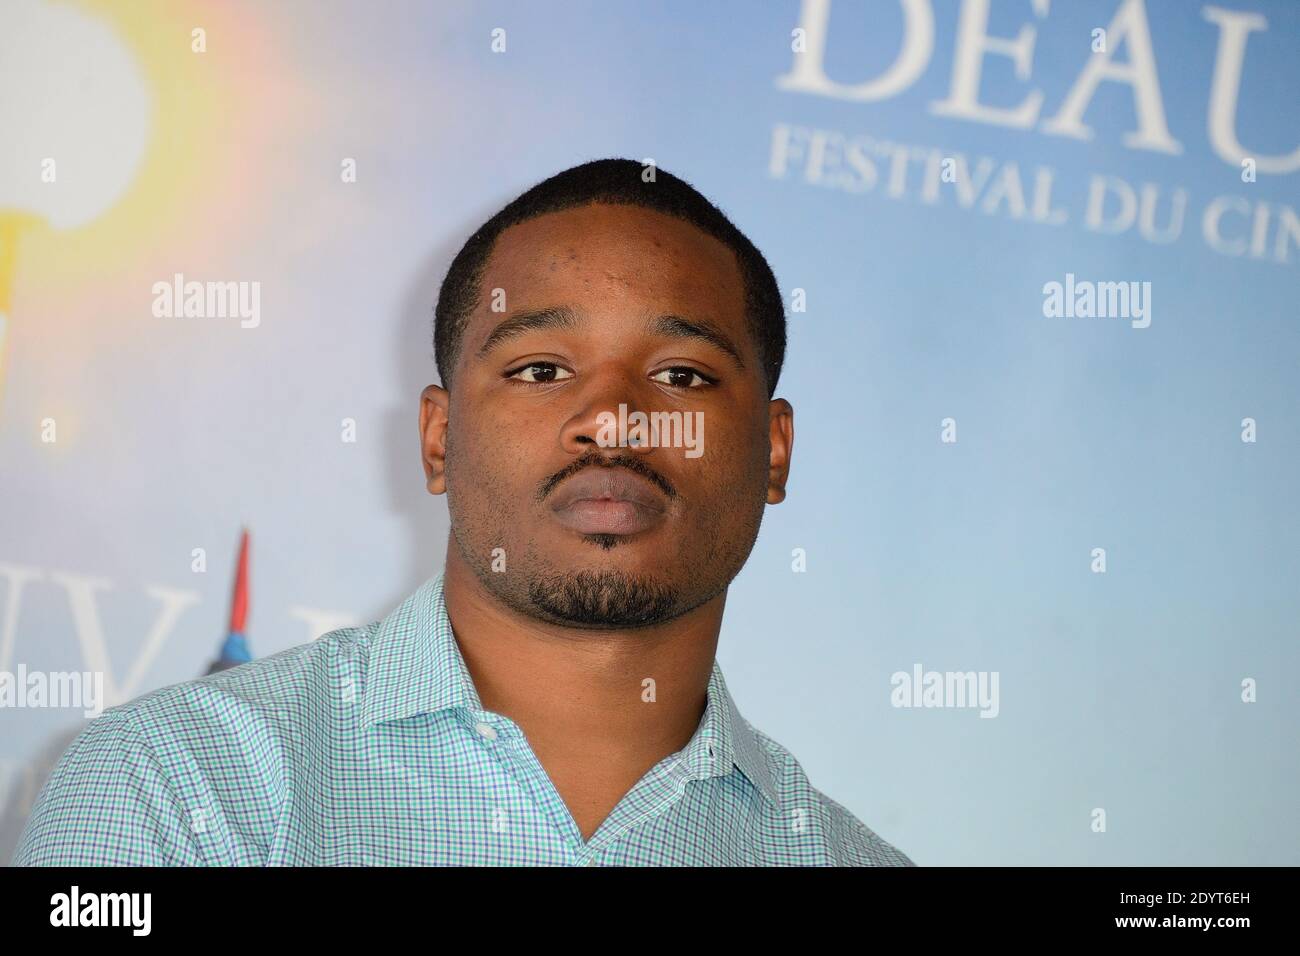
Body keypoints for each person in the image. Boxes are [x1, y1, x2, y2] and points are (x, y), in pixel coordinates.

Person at [14, 158, 912, 866]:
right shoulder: (173, 787)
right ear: (439, 440)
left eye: (682, 376)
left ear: (774, 451)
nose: (610, 419)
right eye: (540, 371)